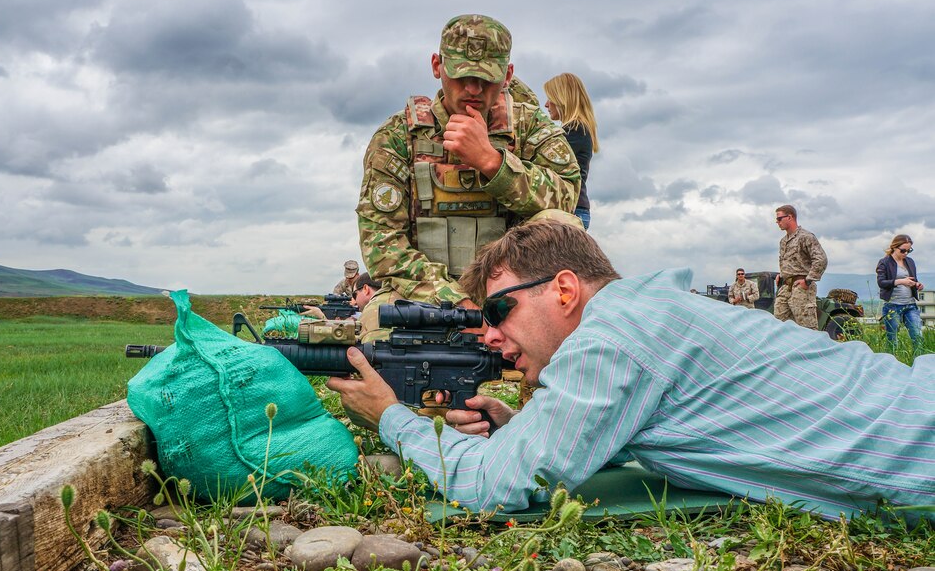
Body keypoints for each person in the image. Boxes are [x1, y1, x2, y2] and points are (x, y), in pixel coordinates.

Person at [326, 221, 935, 520]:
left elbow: (494, 487)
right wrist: (522, 423)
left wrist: (394, 419)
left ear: (564, 289)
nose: (487, 333)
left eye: (498, 309)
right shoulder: (641, 315)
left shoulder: (615, 338)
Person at [355, 14, 581, 341]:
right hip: (425, 293)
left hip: (515, 293)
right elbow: (381, 241)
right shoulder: (398, 136)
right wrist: (456, 303)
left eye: (486, 78)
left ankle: (541, 387)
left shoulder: (528, 127)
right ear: (437, 66)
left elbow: (566, 199)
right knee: (376, 336)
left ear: (508, 75)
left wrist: (492, 163)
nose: (473, 89)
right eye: (463, 76)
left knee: (562, 222)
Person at [543, 73, 599, 230]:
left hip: (570, 212)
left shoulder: (575, 130)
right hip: (572, 211)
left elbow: (543, 162)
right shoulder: (576, 130)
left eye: (550, 98)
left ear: (562, 99)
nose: (546, 104)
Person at [774, 205, 827, 329]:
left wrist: (807, 281)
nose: (777, 222)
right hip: (786, 287)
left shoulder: (806, 237)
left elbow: (821, 259)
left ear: (790, 217)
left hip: (802, 288)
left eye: (779, 218)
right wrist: (781, 275)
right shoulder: (783, 241)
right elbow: (789, 262)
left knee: (806, 327)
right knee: (779, 325)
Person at [876, 234, 925, 352]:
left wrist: (917, 285)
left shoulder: (910, 262)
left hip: (910, 305)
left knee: (918, 337)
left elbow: (912, 280)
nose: (906, 254)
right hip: (892, 306)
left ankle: (919, 365)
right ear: (894, 247)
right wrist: (901, 281)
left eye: (909, 251)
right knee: (892, 340)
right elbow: (881, 282)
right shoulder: (884, 262)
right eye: (903, 250)